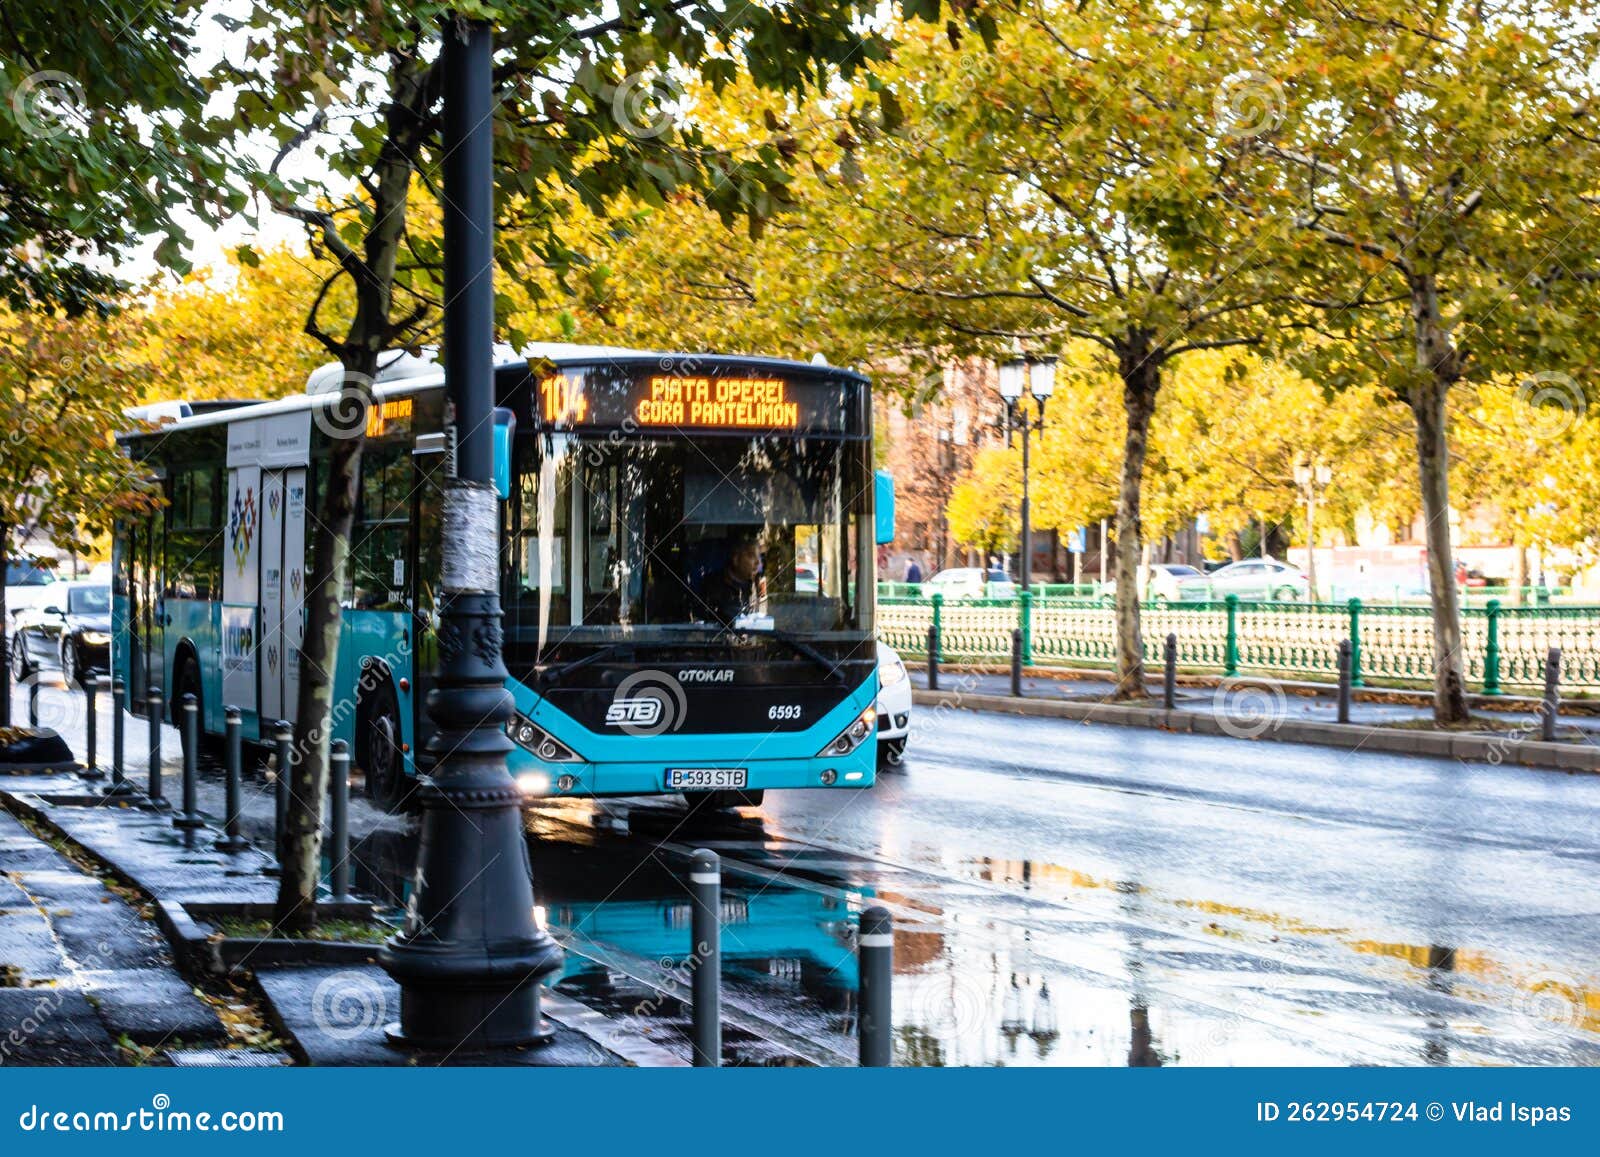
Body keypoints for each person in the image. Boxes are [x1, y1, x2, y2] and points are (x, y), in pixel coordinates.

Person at [698, 535, 761, 625]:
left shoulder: (754, 585)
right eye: (751, 555)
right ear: (736, 559)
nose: (757, 562)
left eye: (759, 556)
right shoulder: (713, 586)